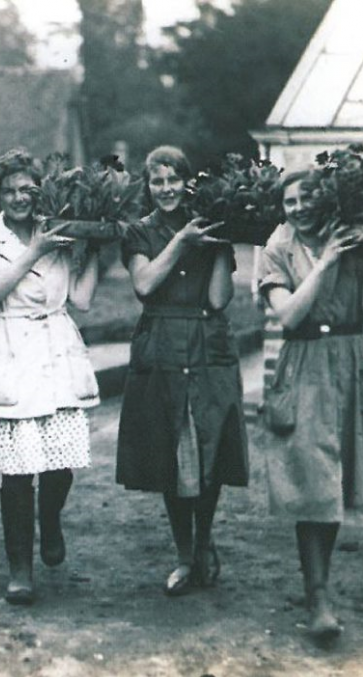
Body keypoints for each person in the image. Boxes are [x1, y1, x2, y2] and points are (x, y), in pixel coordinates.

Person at [0, 150, 101, 605]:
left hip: (56, 348)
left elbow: (80, 300)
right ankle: (20, 568)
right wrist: (36, 250)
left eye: (29, 189)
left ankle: (51, 518)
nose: (21, 197)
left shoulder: (59, 229)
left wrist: (92, 245)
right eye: (11, 190)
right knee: (17, 472)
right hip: (8, 350)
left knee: (60, 464)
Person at [116, 145, 249, 597]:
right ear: (147, 186)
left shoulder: (211, 224)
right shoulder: (139, 232)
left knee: (209, 449)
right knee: (173, 453)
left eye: (173, 180)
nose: (166, 189)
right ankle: (183, 553)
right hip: (162, 349)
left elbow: (217, 300)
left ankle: (203, 541)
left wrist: (217, 246)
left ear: (187, 182)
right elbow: (145, 284)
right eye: (157, 181)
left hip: (207, 344)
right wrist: (183, 242)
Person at [259, 170, 363, 642]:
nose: (297, 208)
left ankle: (320, 588)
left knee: (342, 479)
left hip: (353, 358)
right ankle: (317, 595)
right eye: (289, 201)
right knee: (313, 479)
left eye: (306, 198)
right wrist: (324, 263)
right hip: (306, 360)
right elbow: (288, 314)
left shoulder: (351, 237)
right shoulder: (277, 249)